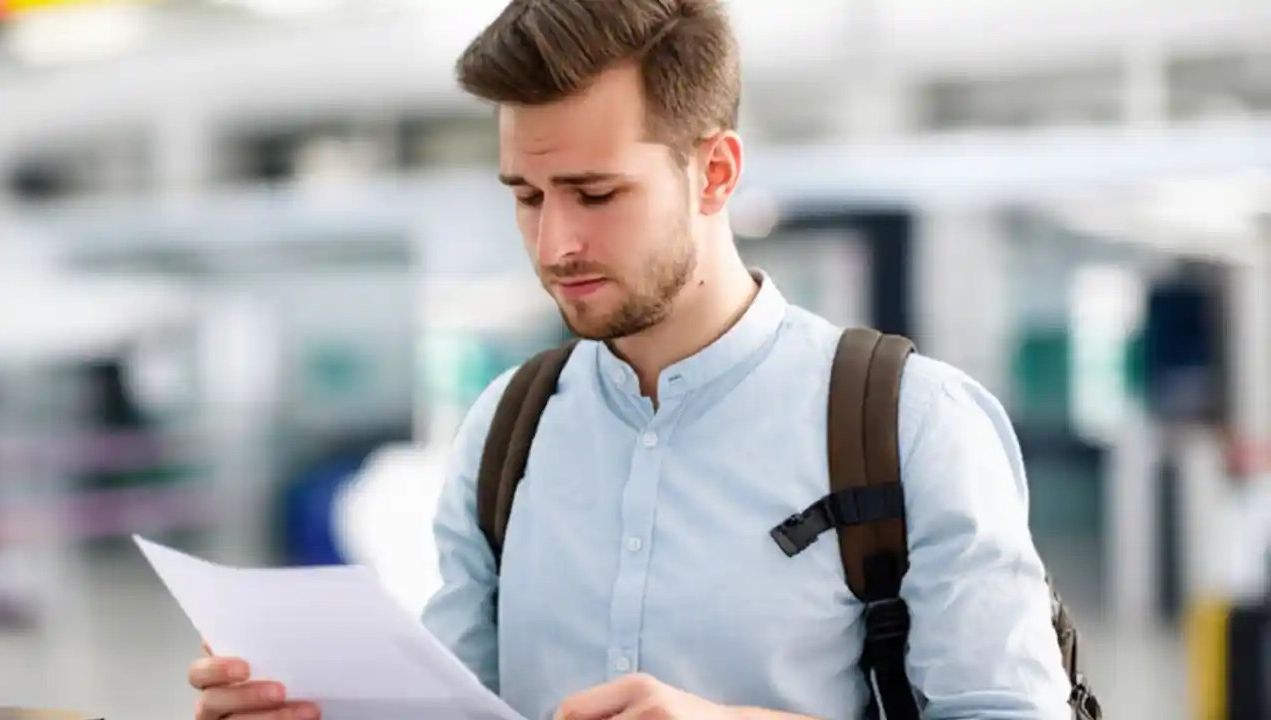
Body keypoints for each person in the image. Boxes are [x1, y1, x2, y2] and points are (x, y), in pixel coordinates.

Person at [188, 1, 1072, 718]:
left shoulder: (913, 423)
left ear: (715, 173)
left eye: (596, 193)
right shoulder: (507, 428)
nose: (555, 242)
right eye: (527, 196)